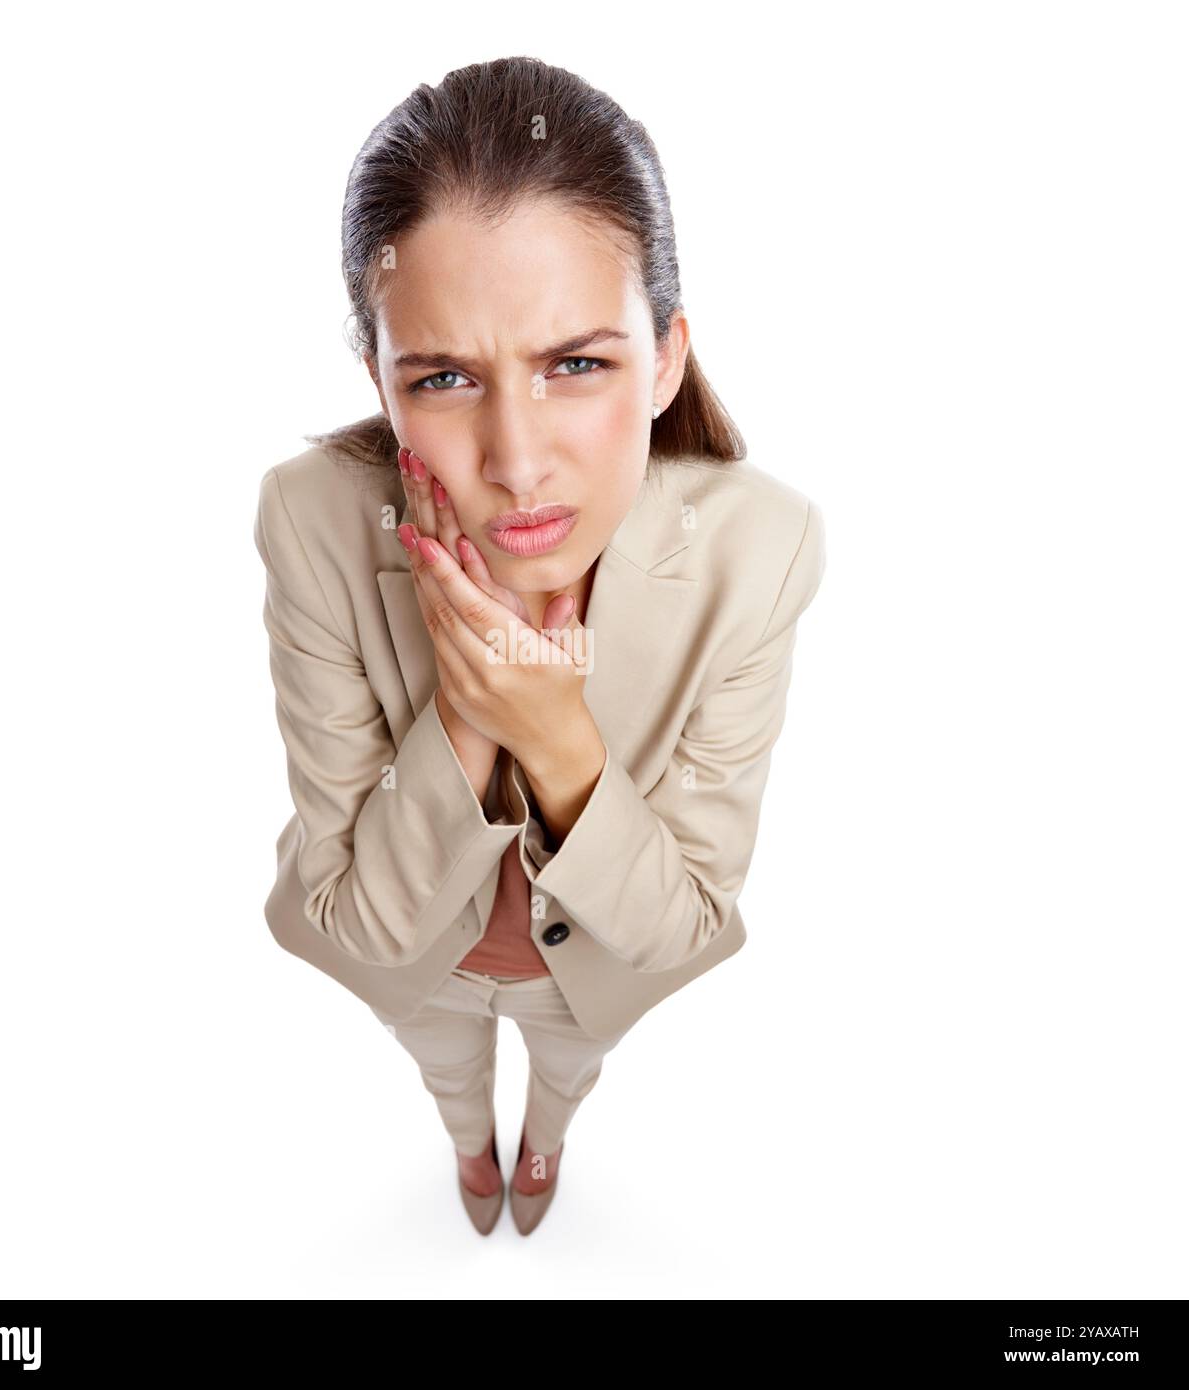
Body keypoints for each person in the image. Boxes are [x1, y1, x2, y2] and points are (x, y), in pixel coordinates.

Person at [253, 56, 826, 1236]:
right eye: (446, 375)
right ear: (380, 380)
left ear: (664, 357)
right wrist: (472, 705)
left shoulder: (761, 546)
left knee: (566, 1068)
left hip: (591, 973)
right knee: (446, 1065)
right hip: (428, 961)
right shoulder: (308, 517)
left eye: (576, 364)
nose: (516, 459)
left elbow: (681, 922)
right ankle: (471, 1140)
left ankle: (546, 1137)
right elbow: (360, 921)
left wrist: (556, 739)